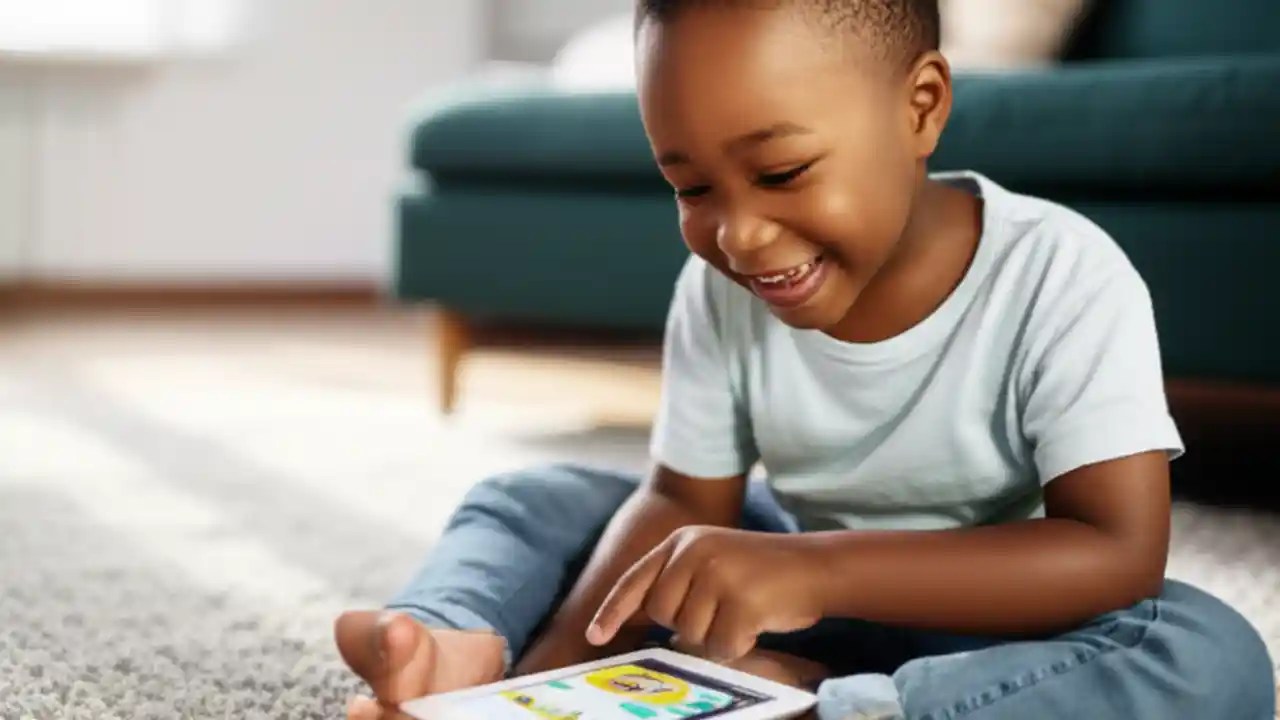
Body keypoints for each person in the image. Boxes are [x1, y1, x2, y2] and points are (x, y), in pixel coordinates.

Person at [335, 1, 1277, 718]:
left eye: (781, 174)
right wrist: (556, 682)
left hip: (1003, 619)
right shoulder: (718, 291)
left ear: (922, 109)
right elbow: (680, 505)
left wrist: (820, 572)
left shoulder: (1060, 274)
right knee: (536, 500)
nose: (738, 234)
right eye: (690, 185)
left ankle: (837, 705)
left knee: (1208, 653)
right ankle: (458, 650)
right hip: (780, 587)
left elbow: (1116, 552)